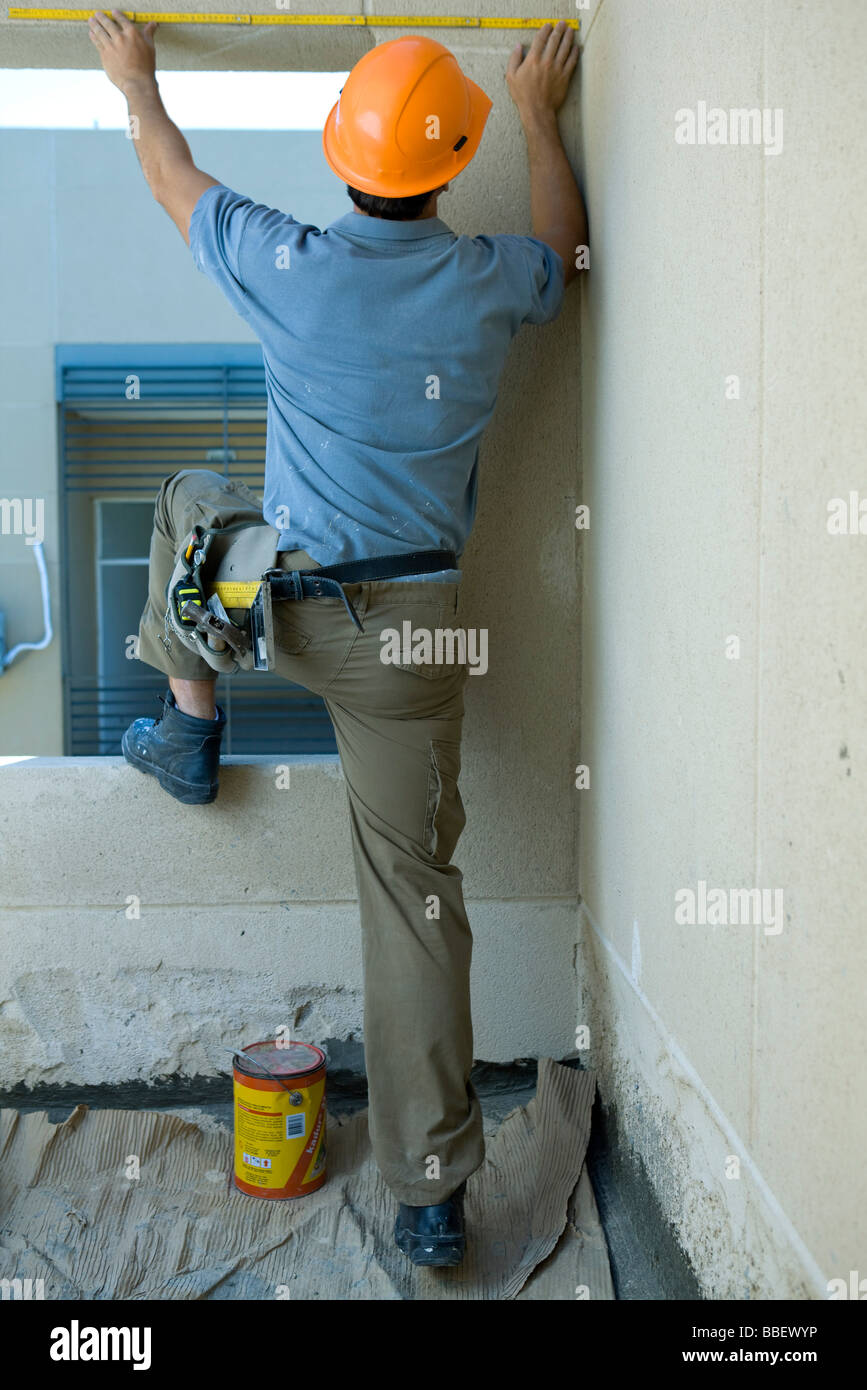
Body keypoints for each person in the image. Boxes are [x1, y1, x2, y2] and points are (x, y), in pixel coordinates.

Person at [88, 8, 587, 1267]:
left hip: (277, 601)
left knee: (192, 501)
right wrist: (537, 116)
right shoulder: (484, 281)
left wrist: (137, 79)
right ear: (446, 166)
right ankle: (429, 1195)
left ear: (342, 158)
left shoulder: (286, 260)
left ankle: (190, 724)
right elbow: (564, 257)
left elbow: (164, 170)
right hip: (410, 645)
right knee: (416, 905)